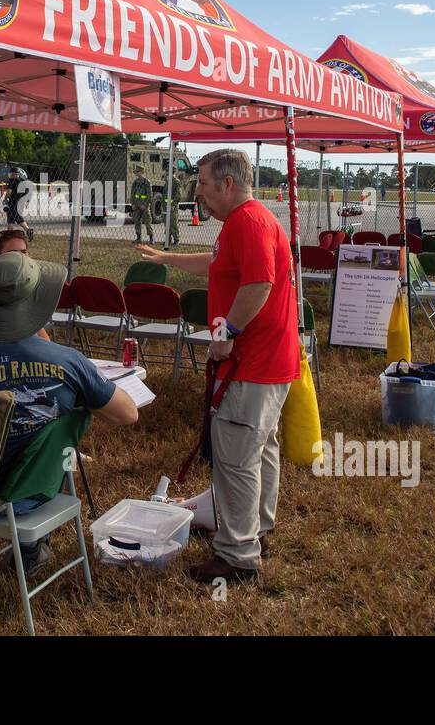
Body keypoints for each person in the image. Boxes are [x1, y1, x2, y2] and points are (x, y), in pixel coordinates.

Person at [136, 149, 299, 584]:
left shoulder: (246, 221)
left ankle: (237, 554)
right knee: (260, 451)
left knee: (237, 458)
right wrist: (166, 259)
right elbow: (217, 267)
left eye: (204, 185)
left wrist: (227, 336)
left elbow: (259, 283)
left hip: (253, 362)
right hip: (268, 362)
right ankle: (255, 532)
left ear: (228, 184)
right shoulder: (244, 223)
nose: (199, 194)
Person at [0, 252, 138, 570]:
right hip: (28, 497)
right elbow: (128, 414)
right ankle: (30, 548)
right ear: (38, 303)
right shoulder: (69, 361)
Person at [130, 165, 154, 244]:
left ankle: (151, 238)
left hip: (144, 206)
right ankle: (138, 237)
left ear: (142, 172)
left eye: (138, 172)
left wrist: (145, 205)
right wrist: (132, 204)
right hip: (136, 205)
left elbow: (149, 195)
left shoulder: (147, 182)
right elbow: (132, 194)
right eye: (136, 172)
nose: (137, 174)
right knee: (137, 221)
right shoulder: (135, 182)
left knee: (147, 222)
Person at [166, 166, 183, 247]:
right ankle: (167, 239)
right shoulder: (168, 181)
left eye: (167, 171)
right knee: (167, 223)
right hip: (166, 205)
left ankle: (176, 240)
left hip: (172, 207)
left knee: (173, 223)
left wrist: (173, 204)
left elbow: (178, 195)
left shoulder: (176, 182)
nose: (166, 172)